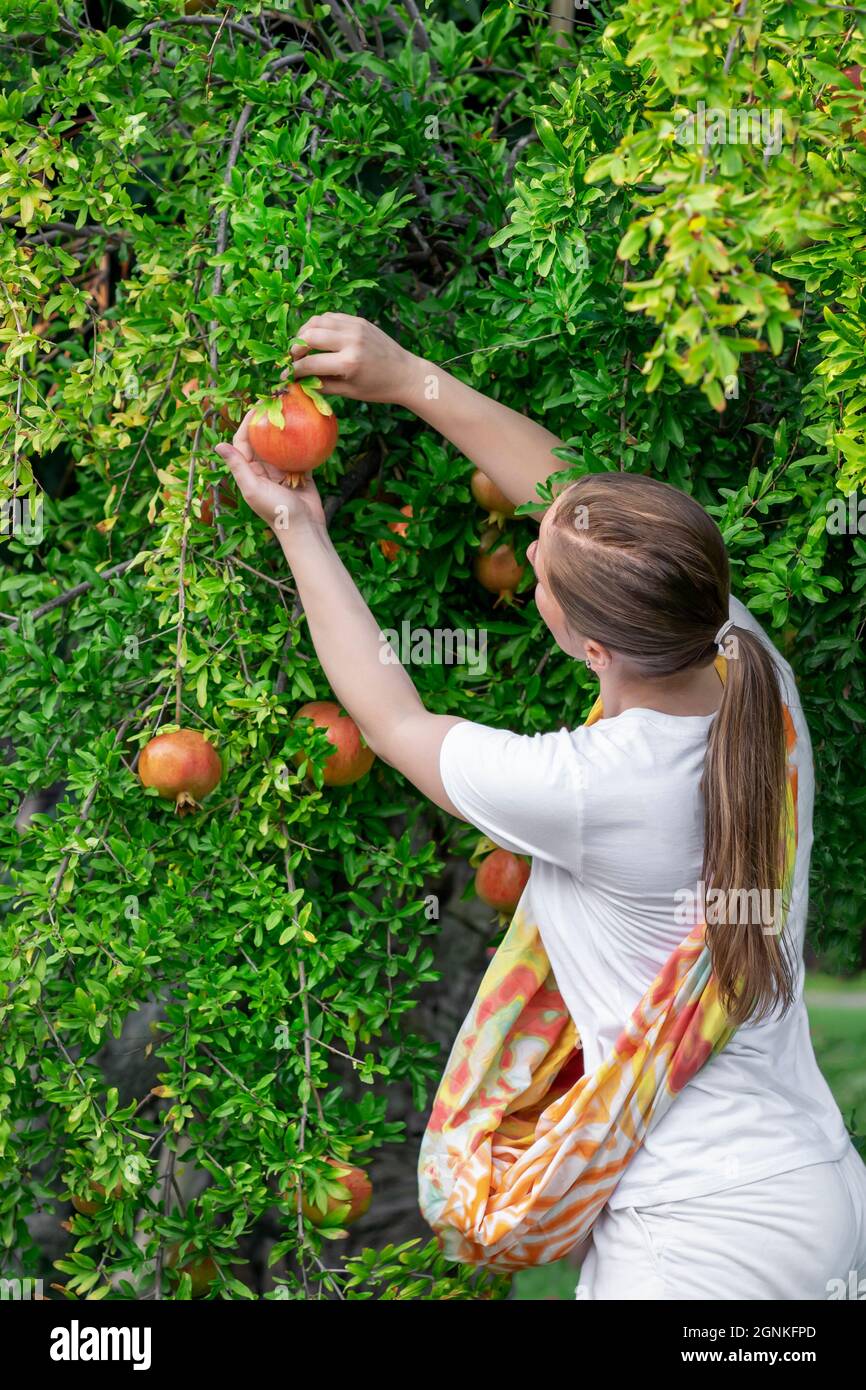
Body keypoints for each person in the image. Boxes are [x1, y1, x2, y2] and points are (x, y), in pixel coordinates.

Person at [216, 313, 866, 1301]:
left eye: (541, 569)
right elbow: (581, 511)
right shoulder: (752, 678)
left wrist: (294, 524)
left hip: (692, 1242)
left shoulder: (586, 787)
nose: (528, 541)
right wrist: (406, 378)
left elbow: (388, 715)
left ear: (592, 650)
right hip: (813, 1193)